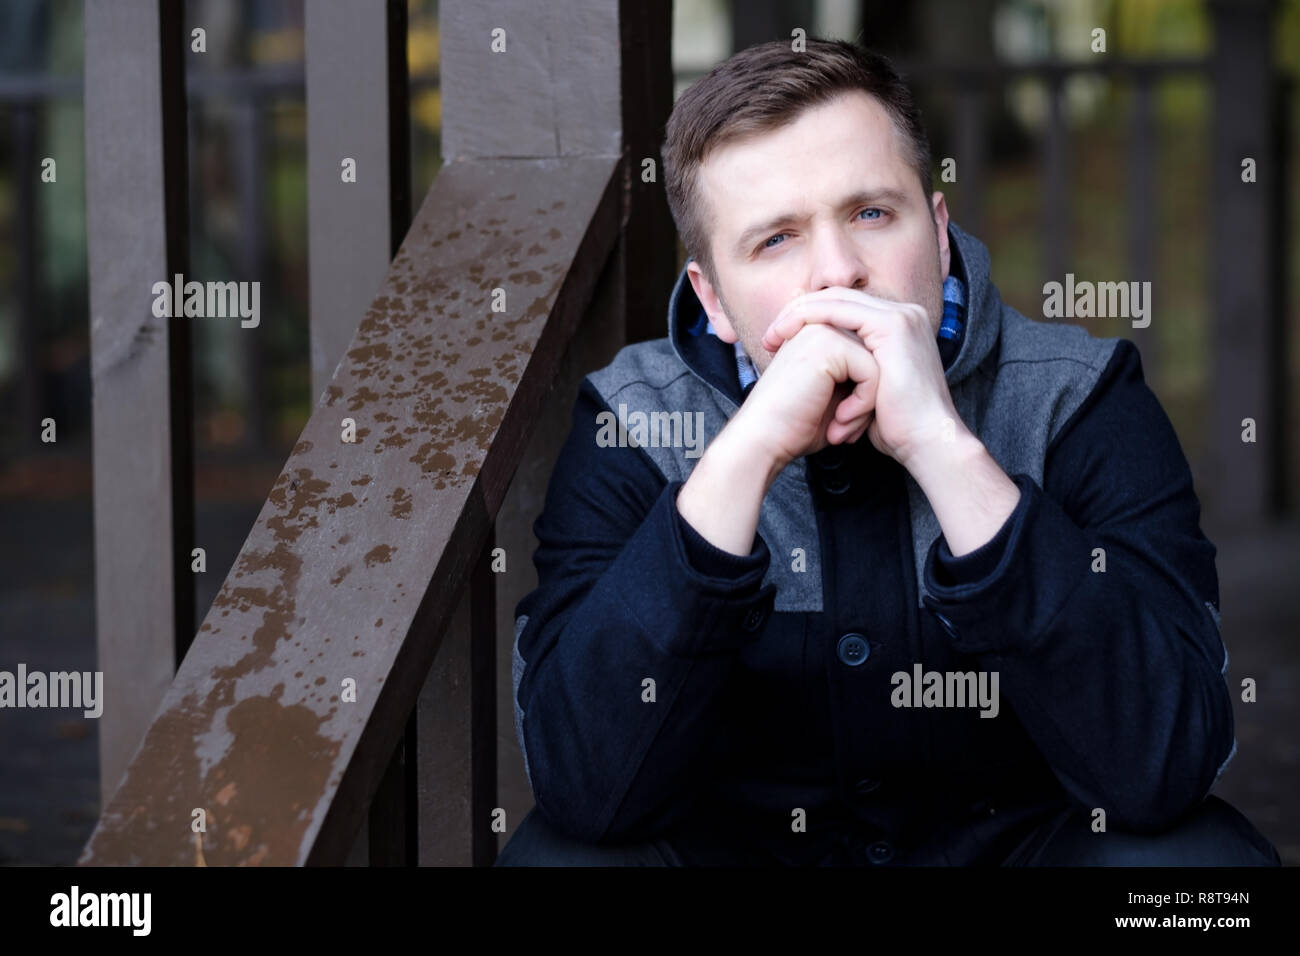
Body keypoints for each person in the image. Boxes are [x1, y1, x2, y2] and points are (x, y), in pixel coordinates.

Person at [497, 38, 1280, 867]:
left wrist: (943, 447)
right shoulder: (635, 421)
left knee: (1203, 882)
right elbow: (584, 789)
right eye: (776, 241)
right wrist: (749, 450)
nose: (838, 272)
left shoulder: (1078, 399)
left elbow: (1167, 765)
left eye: (872, 214)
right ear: (712, 299)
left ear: (938, 235)